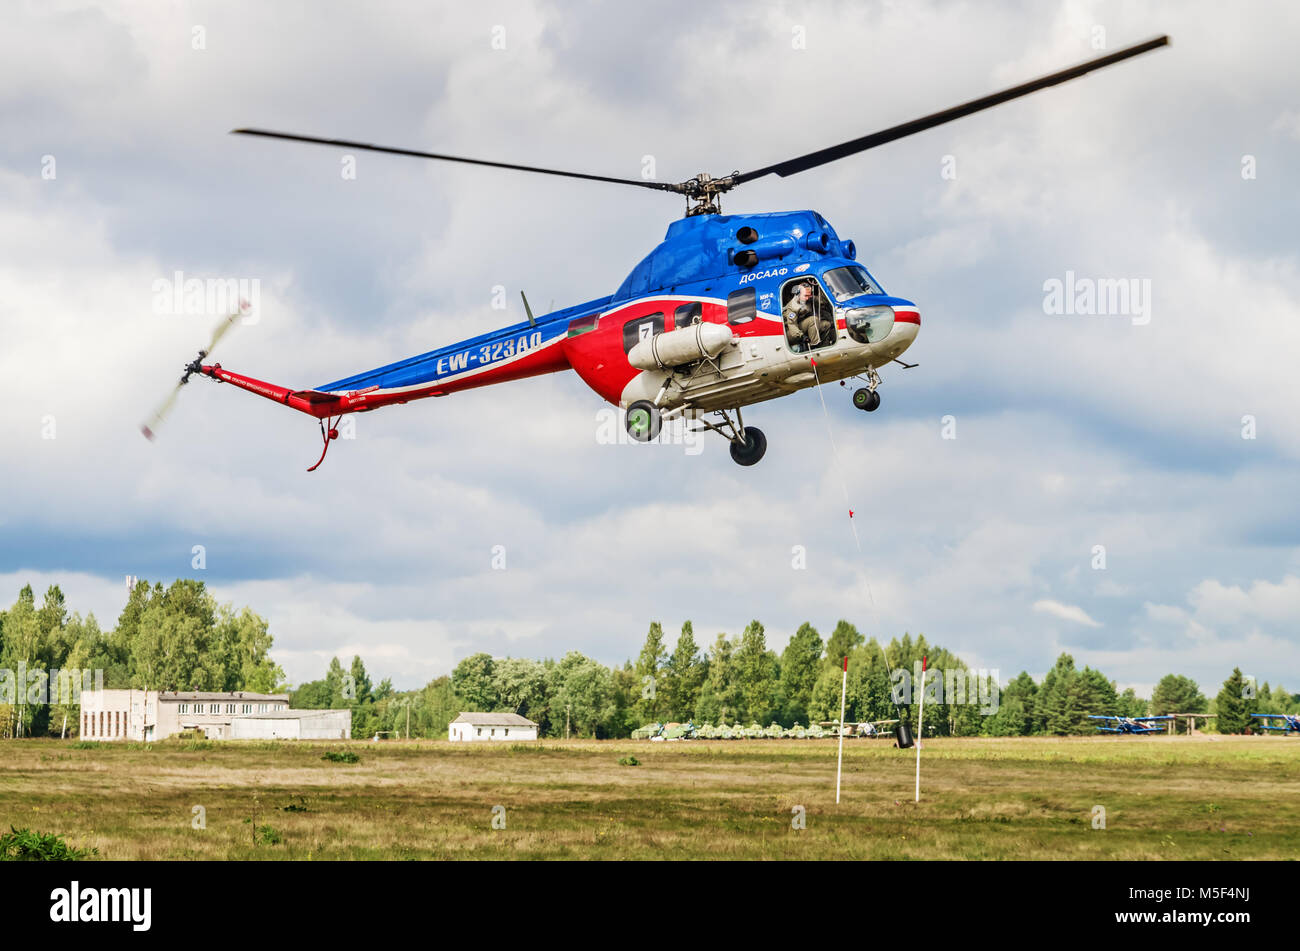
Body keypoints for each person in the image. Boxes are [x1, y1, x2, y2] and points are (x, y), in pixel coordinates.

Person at [783, 281, 833, 349]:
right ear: (797, 294)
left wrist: (824, 285)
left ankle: (824, 347)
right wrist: (801, 336)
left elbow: (822, 301)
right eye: (806, 295)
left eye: (809, 295)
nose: (808, 298)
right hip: (791, 333)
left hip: (803, 327)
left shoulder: (808, 299)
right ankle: (815, 346)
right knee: (813, 320)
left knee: (826, 324)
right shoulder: (792, 307)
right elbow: (792, 325)